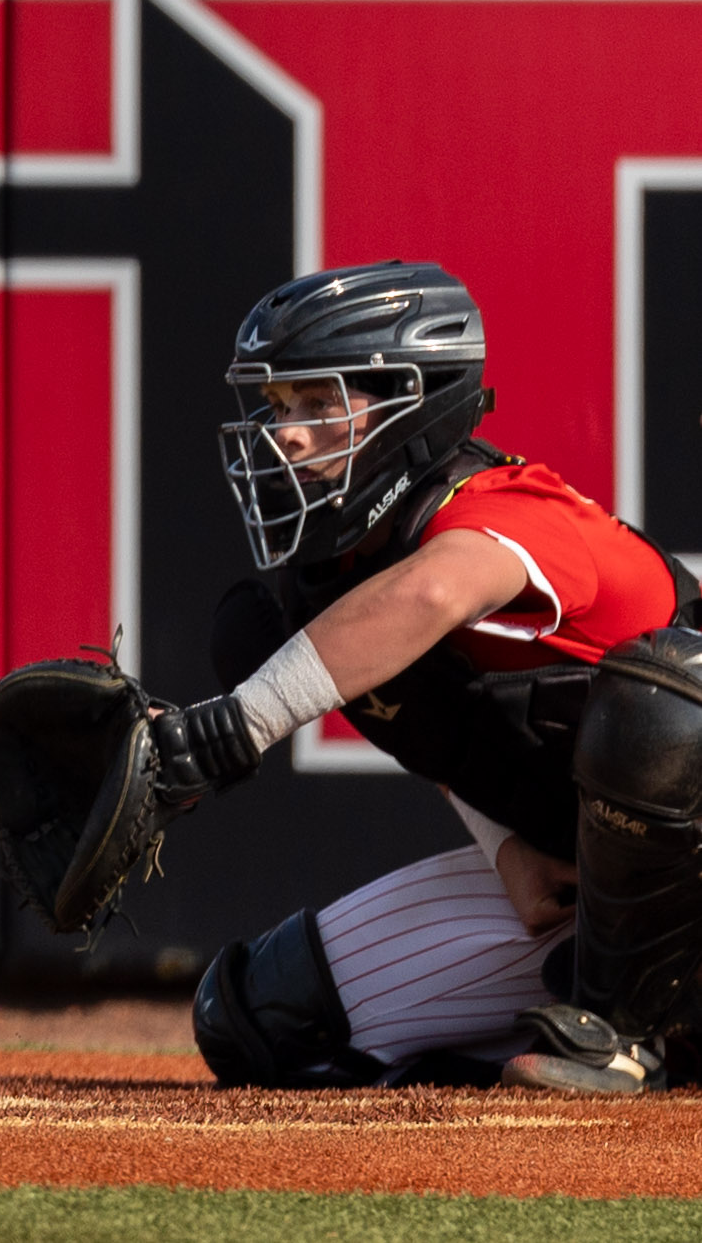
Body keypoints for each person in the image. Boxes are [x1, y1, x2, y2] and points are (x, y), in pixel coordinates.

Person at [145, 260, 702, 1094]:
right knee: (263, 1022)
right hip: (604, 900)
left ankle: (627, 1036)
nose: (285, 434)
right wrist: (504, 847)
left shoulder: (498, 509)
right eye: (278, 407)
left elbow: (434, 591)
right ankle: (657, 1022)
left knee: (663, 708)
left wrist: (237, 724)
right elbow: (455, 739)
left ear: (412, 404)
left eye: (318, 403)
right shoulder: (339, 579)